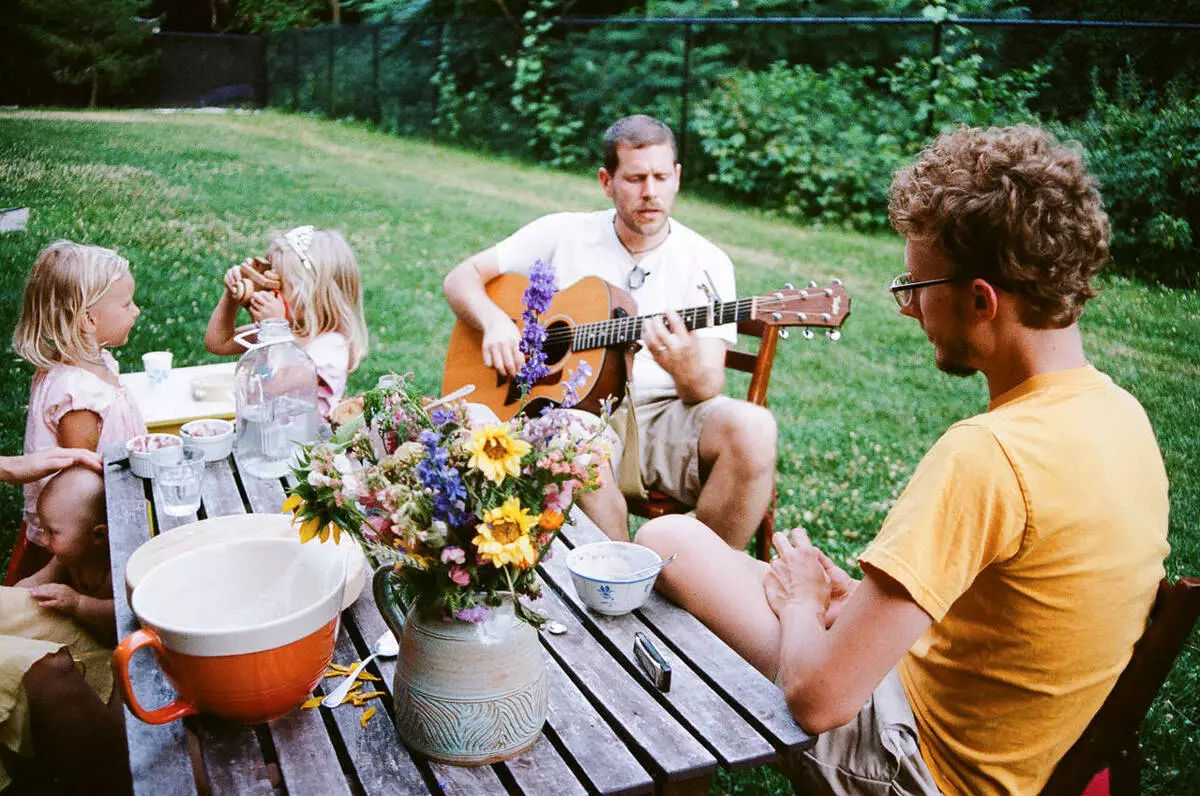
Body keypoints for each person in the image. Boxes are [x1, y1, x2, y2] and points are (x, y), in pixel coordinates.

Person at [637, 124, 1170, 795]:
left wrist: (804, 602)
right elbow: (1018, 612)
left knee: (666, 541)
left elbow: (817, 703)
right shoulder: (1121, 415)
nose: (910, 307)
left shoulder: (987, 455)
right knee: (685, 546)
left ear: (982, 300)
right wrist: (855, 600)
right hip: (1007, 744)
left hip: (921, 769)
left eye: (917, 285)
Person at [443, 115, 776, 547]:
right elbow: (461, 278)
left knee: (754, 426)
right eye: (635, 178)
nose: (650, 192)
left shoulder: (707, 261)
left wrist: (683, 365)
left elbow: (707, 386)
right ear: (607, 181)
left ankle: (706, 581)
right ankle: (617, 580)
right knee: (575, 436)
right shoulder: (562, 233)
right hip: (576, 414)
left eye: (661, 176)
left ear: (677, 177)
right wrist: (493, 325)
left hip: (664, 415)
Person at [1, 465, 128, 794]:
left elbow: (125, 616)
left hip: (120, 647)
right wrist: (17, 597)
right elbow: (33, 585)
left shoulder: (116, 567)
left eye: (52, 532)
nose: (43, 540)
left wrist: (79, 604)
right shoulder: (67, 559)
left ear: (98, 536)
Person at [12, 241, 147, 549]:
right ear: (89, 320)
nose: (136, 310)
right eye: (127, 304)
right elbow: (78, 483)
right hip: (80, 537)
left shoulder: (97, 361)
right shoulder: (78, 394)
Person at [205, 226, 369, 417]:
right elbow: (218, 342)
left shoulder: (330, 345)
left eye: (280, 285)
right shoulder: (286, 330)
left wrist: (274, 330)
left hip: (308, 443)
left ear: (313, 296)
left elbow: (272, 387)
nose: (268, 291)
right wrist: (231, 296)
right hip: (269, 436)